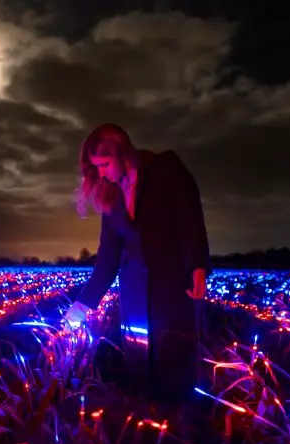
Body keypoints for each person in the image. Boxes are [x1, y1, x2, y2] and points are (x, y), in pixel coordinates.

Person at [63, 123, 211, 404]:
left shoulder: (165, 168)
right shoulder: (112, 197)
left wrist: (198, 267)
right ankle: (143, 425)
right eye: (97, 167)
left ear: (123, 153)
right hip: (133, 296)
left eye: (105, 164)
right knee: (139, 365)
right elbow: (108, 257)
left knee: (174, 363)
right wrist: (81, 306)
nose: (102, 173)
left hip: (171, 290)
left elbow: (190, 218)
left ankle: (179, 427)